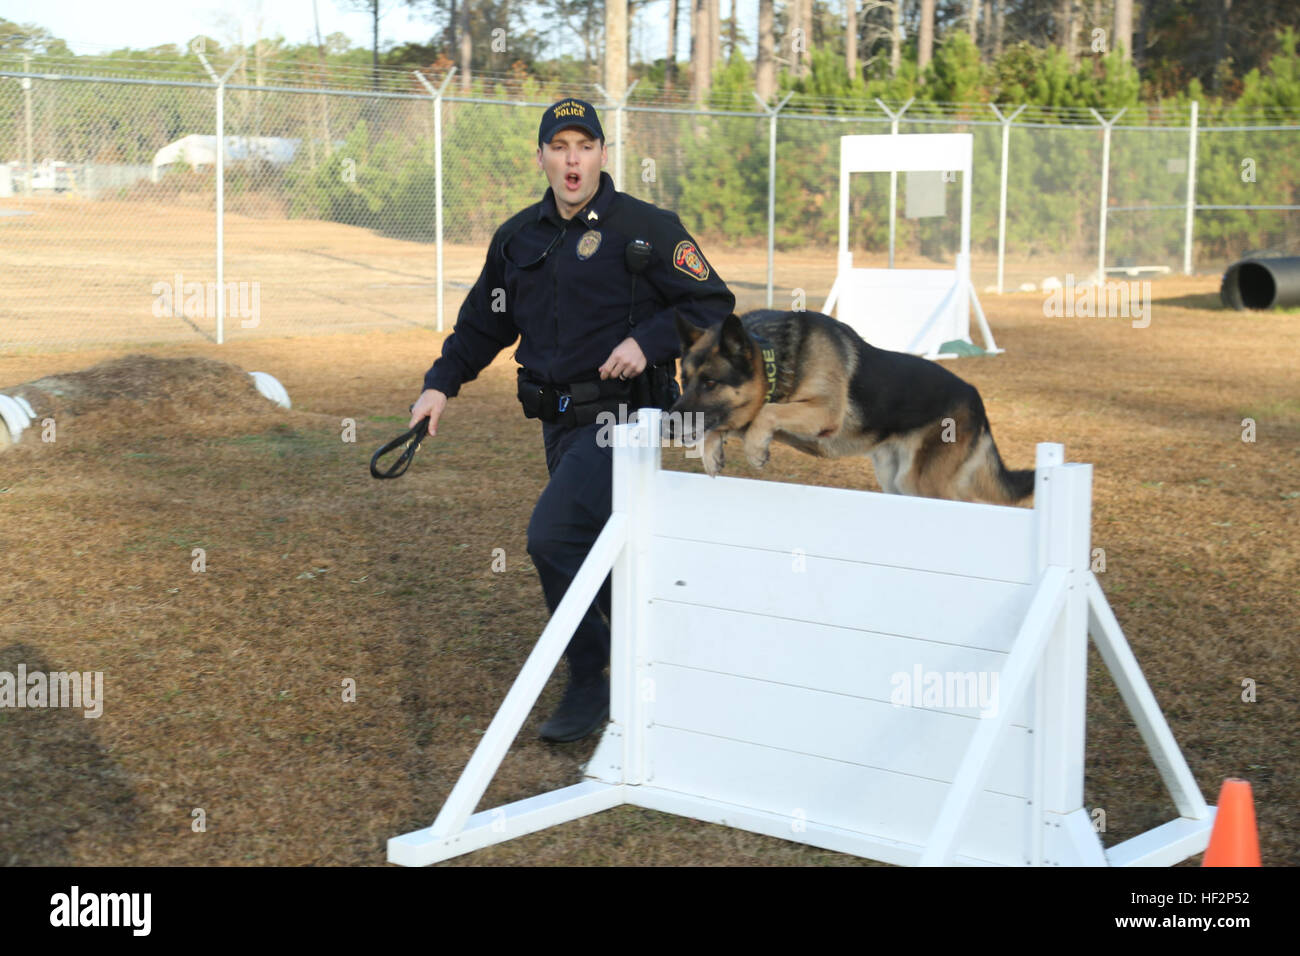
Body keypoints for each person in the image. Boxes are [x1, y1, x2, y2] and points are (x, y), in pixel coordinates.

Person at [409, 98, 735, 742]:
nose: (572, 159)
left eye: (584, 145)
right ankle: (670, 659)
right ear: (542, 158)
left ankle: (591, 676)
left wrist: (648, 339)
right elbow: (485, 322)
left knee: (553, 538)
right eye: (558, 147)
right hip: (557, 422)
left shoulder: (648, 228)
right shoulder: (518, 237)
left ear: (602, 154)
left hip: (627, 420)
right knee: (603, 549)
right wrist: (439, 385)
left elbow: (714, 305)